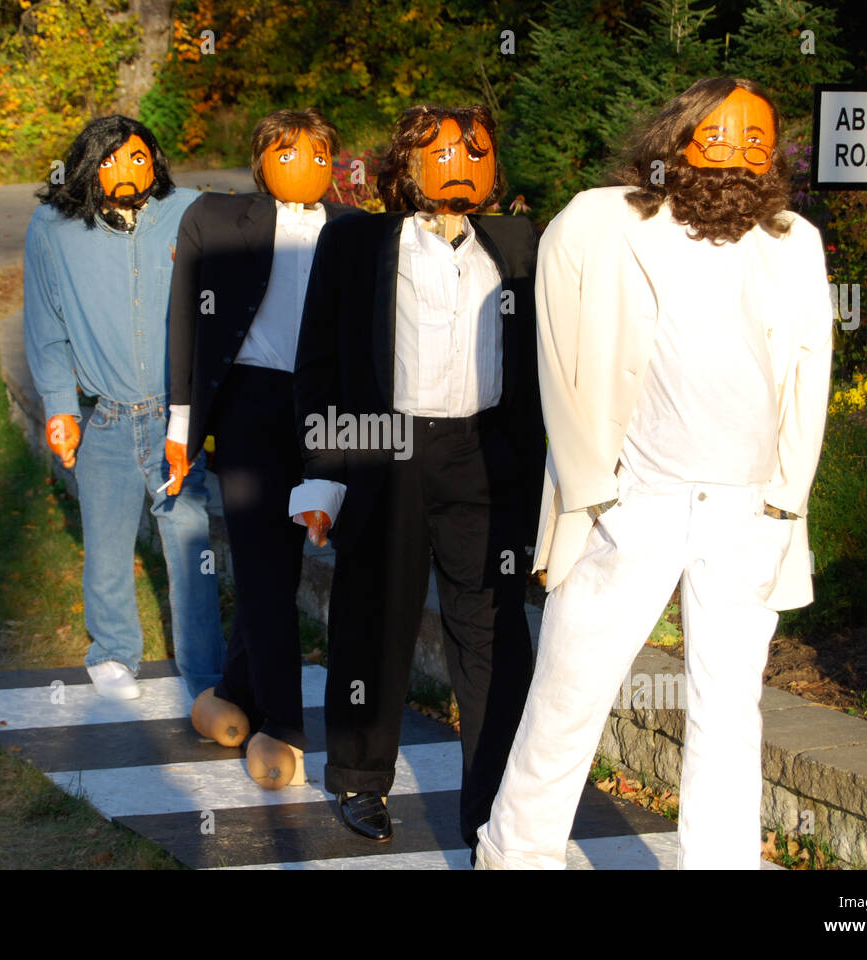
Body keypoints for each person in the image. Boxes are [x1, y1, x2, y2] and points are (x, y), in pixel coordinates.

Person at [475, 77, 833, 870]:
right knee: (572, 686)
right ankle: (516, 851)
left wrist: (785, 504)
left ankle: (719, 862)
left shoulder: (792, 240)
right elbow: (557, 358)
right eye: (722, 135)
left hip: (746, 512)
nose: (740, 153)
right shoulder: (602, 222)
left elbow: (812, 376)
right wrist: (593, 490)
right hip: (633, 499)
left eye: (757, 139)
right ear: (678, 138)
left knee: (729, 705)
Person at [290, 104, 544, 848]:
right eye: (440, 153)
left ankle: (493, 803)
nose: (462, 164)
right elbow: (320, 365)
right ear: (404, 167)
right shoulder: (354, 242)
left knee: (493, 631)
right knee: (374, 616)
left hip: (485, 455)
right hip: (384, 449)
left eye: (477, 151)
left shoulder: (522, 242)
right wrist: (322, 476)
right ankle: (359, 780)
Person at [166, 108, 365, 788]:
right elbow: (185, 324)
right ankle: (283, 724)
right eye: (287, 151)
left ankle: (232, 693)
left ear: (333, 161)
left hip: (327, 413)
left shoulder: (355, 232)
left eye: (318, 153)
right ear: (260, 160)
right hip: (251, 407)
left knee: (288, 559)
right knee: (259, 562)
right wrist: (180, 426)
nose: (303, 164)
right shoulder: (216, 221)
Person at [23, 115, 224, 702]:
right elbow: (45, 323)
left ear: (154, 160)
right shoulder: (53, 228)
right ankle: (111, 651)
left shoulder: (188, 210)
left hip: (175, 418)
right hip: (105, 417)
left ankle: (206, 672)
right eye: (110, 160)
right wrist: (59, 405)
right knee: (107, 539)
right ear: (87, 167)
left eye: (137, 158)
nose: (126, 170)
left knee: (189, 542)